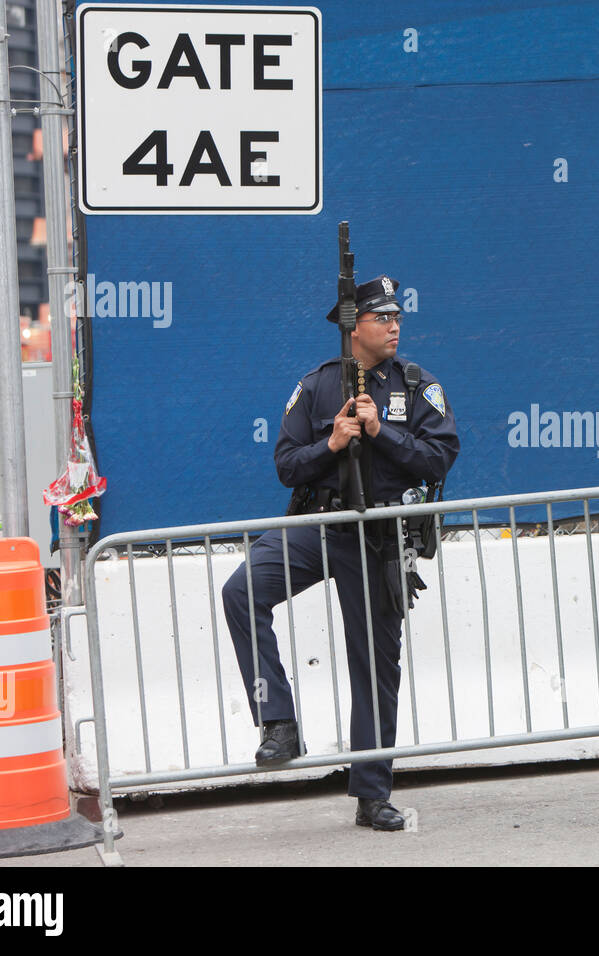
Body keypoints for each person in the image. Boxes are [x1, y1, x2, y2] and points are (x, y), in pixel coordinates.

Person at [222, 275, 459, 831]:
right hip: (322, 524)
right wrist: (330, 443)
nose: (395, 325)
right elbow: (286, 465)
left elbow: (438, 460)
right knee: (242, 590)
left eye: (397, 316)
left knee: (375, 666)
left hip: (380, 537)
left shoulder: (418, 386)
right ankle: (277, 722)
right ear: (354, 329)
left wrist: (380, 431)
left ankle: (372, 795)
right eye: (382, 318)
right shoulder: (318, 386)